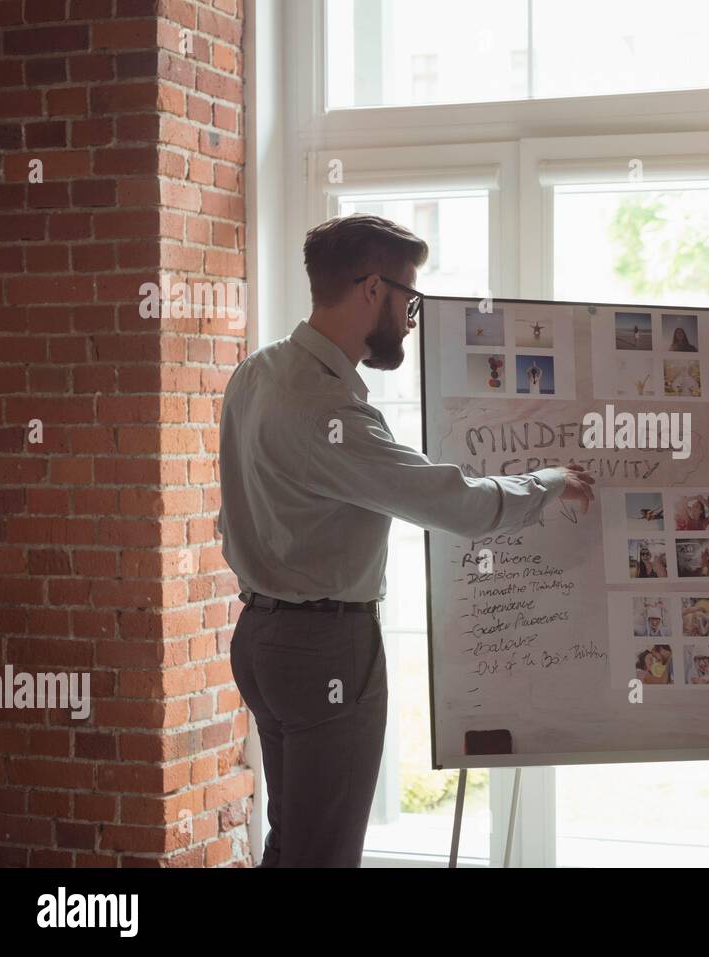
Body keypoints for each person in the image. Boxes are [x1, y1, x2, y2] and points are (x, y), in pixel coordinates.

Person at [219, 213, 595, 867]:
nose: (413, 315)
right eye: (409, 297)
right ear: (372, 289)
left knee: (291, 840)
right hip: (322, 650)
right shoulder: (329, 411)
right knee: (322, 853)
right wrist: (551, 480)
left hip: (259, 639)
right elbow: (455, 502)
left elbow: (231, 515)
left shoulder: (256, 371)